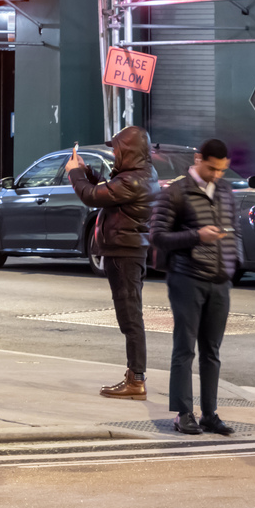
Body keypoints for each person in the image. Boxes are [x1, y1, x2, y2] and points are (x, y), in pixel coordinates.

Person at [152, 137, 239, 435]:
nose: (217, 175)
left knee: (211, 351)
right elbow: (157, 237)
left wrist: (232, 265)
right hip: (186, 277)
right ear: (199, 159)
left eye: (222, 170)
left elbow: (234, 230)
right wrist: (196, 236)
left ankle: (210, 414)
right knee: (185, 348)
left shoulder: (225, 191)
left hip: (219, 280)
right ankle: (183, 413)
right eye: (212, 168)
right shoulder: (175, 191)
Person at [67, 126, 155, 400]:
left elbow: (92, 196)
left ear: (129, 152)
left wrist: (75, 173)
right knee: (130, 315)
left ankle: (136, 380)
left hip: (124, 254)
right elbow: (107, 190)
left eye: (117, 150)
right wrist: (87, 172)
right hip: (127, 251)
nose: (114, 154)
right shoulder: (140, 175)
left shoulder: (133, 181)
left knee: (130, 317)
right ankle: (134, 376)